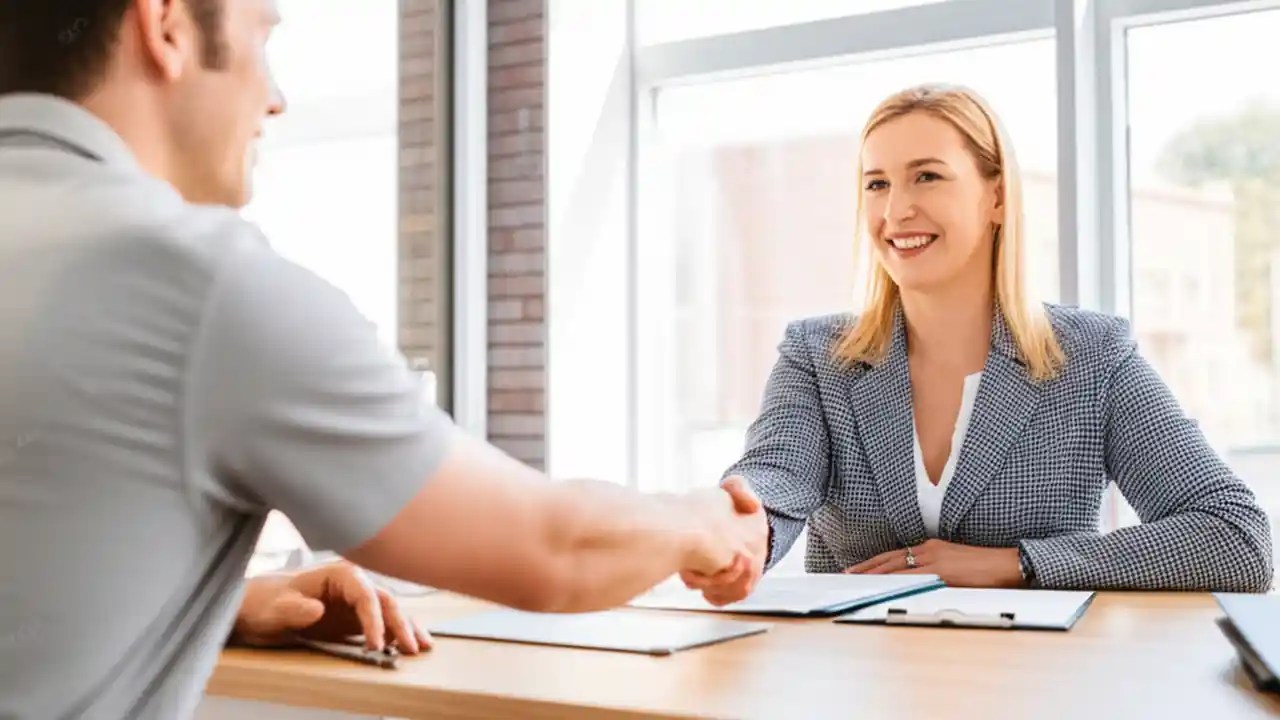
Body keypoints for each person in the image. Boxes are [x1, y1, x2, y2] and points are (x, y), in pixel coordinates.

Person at [0, 1, 768, 718]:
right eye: (262, 39)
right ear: (165, 24)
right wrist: (700, 523)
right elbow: (550, 548)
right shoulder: (196, 281)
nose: (274, 99)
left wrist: (226, 599)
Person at [683, 83, 1273, 607]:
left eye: (927, 176)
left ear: (996, 197)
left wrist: (1014, 565)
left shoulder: (1092, 356)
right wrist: (729, 537)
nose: (895, 210)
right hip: (857, 682)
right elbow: (773, 482)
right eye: (877, 183)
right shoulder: (817, 355)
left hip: (1033, 687)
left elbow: (1237, 538)